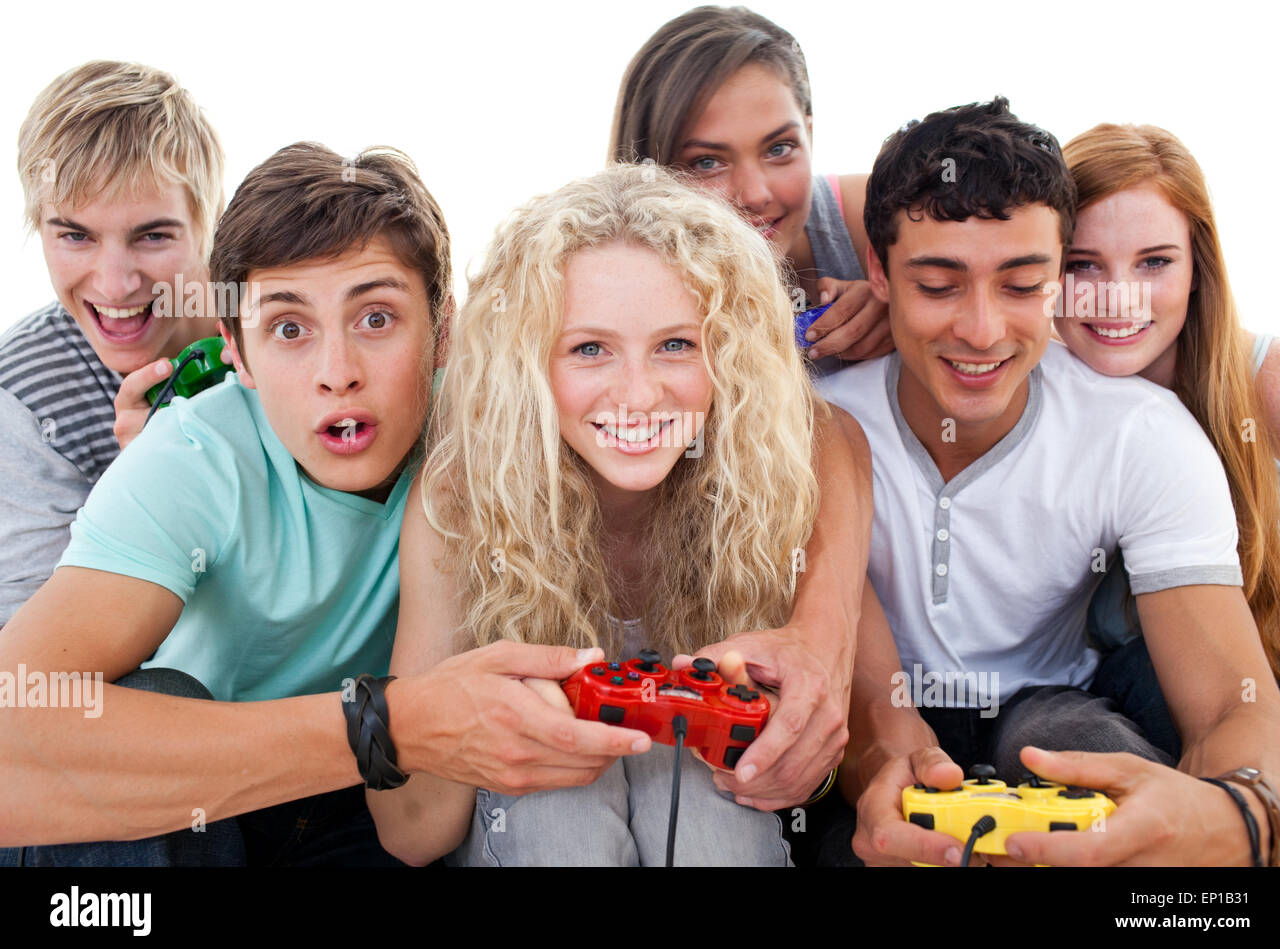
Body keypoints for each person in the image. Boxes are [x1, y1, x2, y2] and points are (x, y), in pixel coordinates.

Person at [0, 143, 654, 865]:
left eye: (376, 319)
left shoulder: (490, 435)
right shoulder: (191, 459)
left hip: (359, 807)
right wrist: (377, 724)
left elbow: (415, 829)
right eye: (288, 329)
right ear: (236, 356)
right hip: (193, 801)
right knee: (159, 694)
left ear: (443, 331)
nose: (337, 373)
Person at [821, 98, 1280, 866]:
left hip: (1048, 707)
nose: (981, 331)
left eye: (1022, 284)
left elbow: (1232, 705)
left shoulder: (1141, 433)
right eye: (939, 284)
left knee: (1085, 757)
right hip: (880, 718)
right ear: (877, 271)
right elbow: (872, 720)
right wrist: (880, 764)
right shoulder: (818, 420)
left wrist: (1236, 817)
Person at [367, 163, 870, 865]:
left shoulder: (774, 464)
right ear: (529, 365)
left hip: (711, 809)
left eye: (675, 344)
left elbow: (835, 437)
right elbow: (413, 832)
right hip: (527, 821)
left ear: (728, 356)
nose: (638, 395)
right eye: (589, 349)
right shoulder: (465, 494)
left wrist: (793, 749)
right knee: (556, 810)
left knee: (707, 806)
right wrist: (468, 723)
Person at [1054, 123, 1280, 749]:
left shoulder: (1276, 386)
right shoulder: (1029, 389)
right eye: (1083, 264)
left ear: (1198, 268)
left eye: (1155, 262)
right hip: (1146, 692)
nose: (1118, 297)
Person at [1, 61, 223, 627]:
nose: (115, 283)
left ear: (209, 222)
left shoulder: (290, 324)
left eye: (152, 236)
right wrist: (149, 482)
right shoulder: (23, 399)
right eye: (76, 236)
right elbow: (42, 666)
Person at [610, 5, 889, 366]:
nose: (755, 195)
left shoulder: (879, 220)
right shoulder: (609, 287)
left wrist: (906, 311)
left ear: (809, 134)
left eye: (779, 149)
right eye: (707, 163)